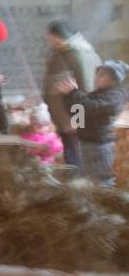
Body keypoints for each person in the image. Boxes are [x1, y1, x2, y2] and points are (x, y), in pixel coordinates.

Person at [56, 61, 127, 185]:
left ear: (113, 79)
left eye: (102, 75)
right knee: (89, 180)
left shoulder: (115, 96)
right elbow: (77, 111)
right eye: (97, 74)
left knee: (103, 181)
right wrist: (67, 96)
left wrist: (74, 93)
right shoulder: (97, 94)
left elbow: (89, 108)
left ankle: (106, 203)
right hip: (86, 143)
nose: (96, 77)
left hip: (100, 146)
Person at [43, 20, 101, 168]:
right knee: (71, 156)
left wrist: (77, 122)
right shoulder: (63, 53)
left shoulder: (79, 55)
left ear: (57, 36)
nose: (47, 39)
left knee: (77, 159)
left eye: (49, 36)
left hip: (73, 120)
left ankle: (77, 187)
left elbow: (87, 90)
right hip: (65, 119)